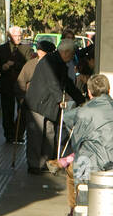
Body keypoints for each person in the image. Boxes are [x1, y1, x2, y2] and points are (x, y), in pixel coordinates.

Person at [58, 73, 113, 216]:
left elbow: (73, 133)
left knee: (73, 170)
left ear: (89, 92)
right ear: (109, 90)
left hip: (94, 166)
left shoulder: (85, 111)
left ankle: (77, 215)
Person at [26, 38, 84, 174]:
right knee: (37, 134)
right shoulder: (49, 61)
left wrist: (80, 99)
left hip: (47, 104)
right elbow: (52, 82)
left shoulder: (59, 62)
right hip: (38, 103)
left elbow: (67, 83)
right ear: (66, 52)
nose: (71, 59)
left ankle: (46, 162)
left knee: (49, 133)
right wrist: (60, 99)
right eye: (71, 55)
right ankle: (34, 165)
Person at [0, 25, 33, 142]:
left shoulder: (27, 49)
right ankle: (9, 135)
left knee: (23, 110)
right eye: (15, 36)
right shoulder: (0, 50)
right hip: (6, 85)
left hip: (22, 85)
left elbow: (29, 65)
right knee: (7, 111)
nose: (18, 38)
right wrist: (3, 67)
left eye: (20, 35)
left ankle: (18, 134)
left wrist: (14, 64)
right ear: (9, 36)